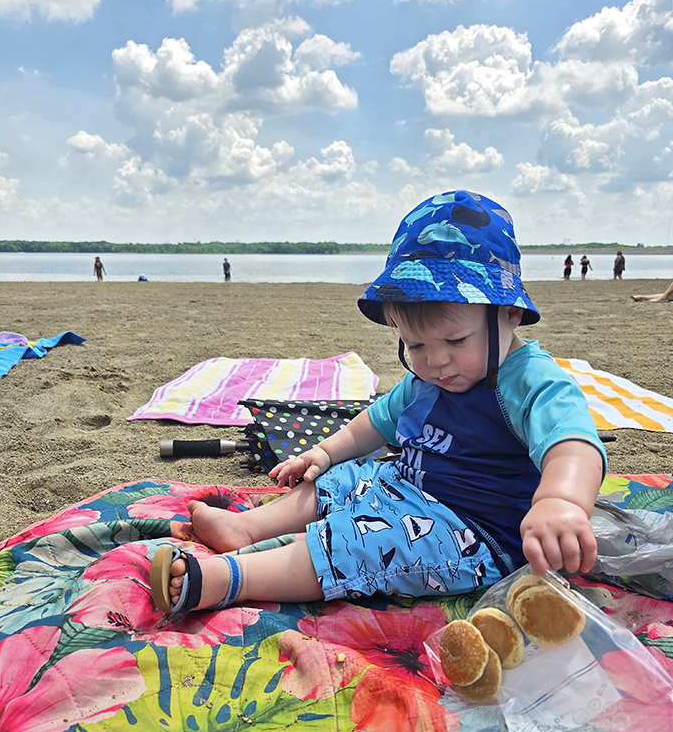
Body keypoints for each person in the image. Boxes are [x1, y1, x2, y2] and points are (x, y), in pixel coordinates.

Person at [149, 189, 606, 617]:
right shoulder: (427, 380)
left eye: (455, 339)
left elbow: (573, 442)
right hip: (406, 487)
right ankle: (246, 529)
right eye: (416, 345)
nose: (437, 362)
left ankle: (229, 579)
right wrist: (324, 452)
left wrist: (560, 501)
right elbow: (374, 423)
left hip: (478, 532)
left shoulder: (531, 380)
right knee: (342, 479)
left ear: (508, 313)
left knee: (365, 546)